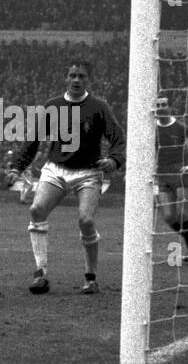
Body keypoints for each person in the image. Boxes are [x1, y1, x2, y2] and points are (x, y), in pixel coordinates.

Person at [7, 59, 126, 294]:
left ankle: (90, 278)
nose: (76, 80)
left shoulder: (99, 107)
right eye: (72, 75)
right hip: (56, 168)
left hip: (88, 172)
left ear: (88, 80)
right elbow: (33, 142)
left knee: (86, 220)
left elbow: (118, 139)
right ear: (66, 78)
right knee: (36, 210)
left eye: (81, 76)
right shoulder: (52, 106)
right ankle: (40, 274)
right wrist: (16, 168)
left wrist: (113, 160)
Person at [153, 95, 188, 266]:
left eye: (164, 104)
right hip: (162, 175)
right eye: (158, 104)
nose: (161, 107)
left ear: (170, 107)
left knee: (182, 213)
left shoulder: (181, 128)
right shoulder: (151, 129)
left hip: (181, 174)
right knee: (168, 216)